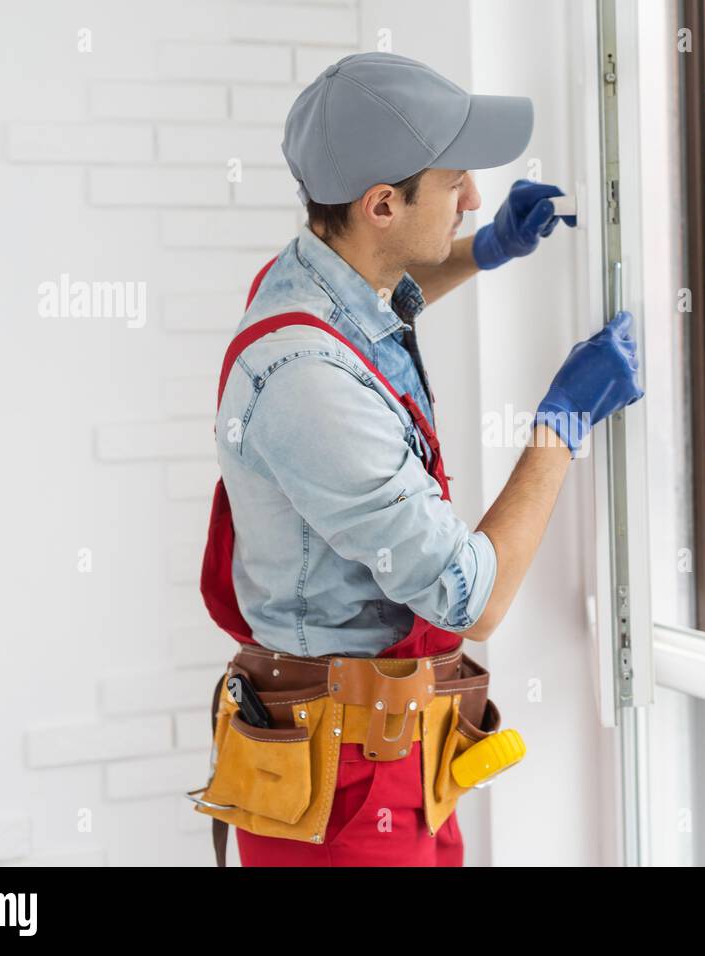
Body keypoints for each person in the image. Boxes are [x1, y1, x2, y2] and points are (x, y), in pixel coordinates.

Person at [203, 51, 643, 866]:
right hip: (337, 799)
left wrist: (486, 248)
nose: (473, 195)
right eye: (454, 185)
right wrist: (561, 423)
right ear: (380, 204)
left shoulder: (309, 279)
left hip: (393, 754)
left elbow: (371, 313)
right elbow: (472, 597)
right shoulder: (306, 382)